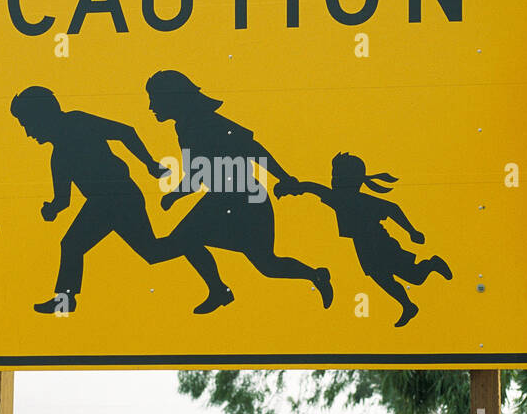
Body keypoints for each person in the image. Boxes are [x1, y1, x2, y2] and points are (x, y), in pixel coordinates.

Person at [145, 69, 332, 314]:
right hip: (223, 198)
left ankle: (313, 276)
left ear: (173, 98)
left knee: (266, 265)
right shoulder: (185, 127)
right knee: (260, 262)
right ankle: (221, 290)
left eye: (155, 99)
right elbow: (198, 174)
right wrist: (176, 195)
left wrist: (285, 177)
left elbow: (252, 148)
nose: (151, 106)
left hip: (243, 197)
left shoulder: (206, 122)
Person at [10, 85, 173, 313]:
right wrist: (52, 210)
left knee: (73, 245)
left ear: (43, 116)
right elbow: (63, 200)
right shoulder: (58, 157)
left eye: (28, 124)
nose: (28, 133)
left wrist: (150, 164)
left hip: (119, 197)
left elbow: (125, 132)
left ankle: (66, 301)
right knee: (152, 252)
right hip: (104, 202)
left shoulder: (78, 122)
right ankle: (66, 300)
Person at [277, 152, 451, 327]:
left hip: (380, 242)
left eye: (337, 175)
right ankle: (408, 306)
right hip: (363, 246)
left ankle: (432, 264)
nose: (333, 180)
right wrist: (294, 188)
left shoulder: (353, 199)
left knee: (415, 277)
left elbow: (392, 208)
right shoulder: (340, 198)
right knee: (382, 279)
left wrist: (412, 231)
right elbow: (314, 188)